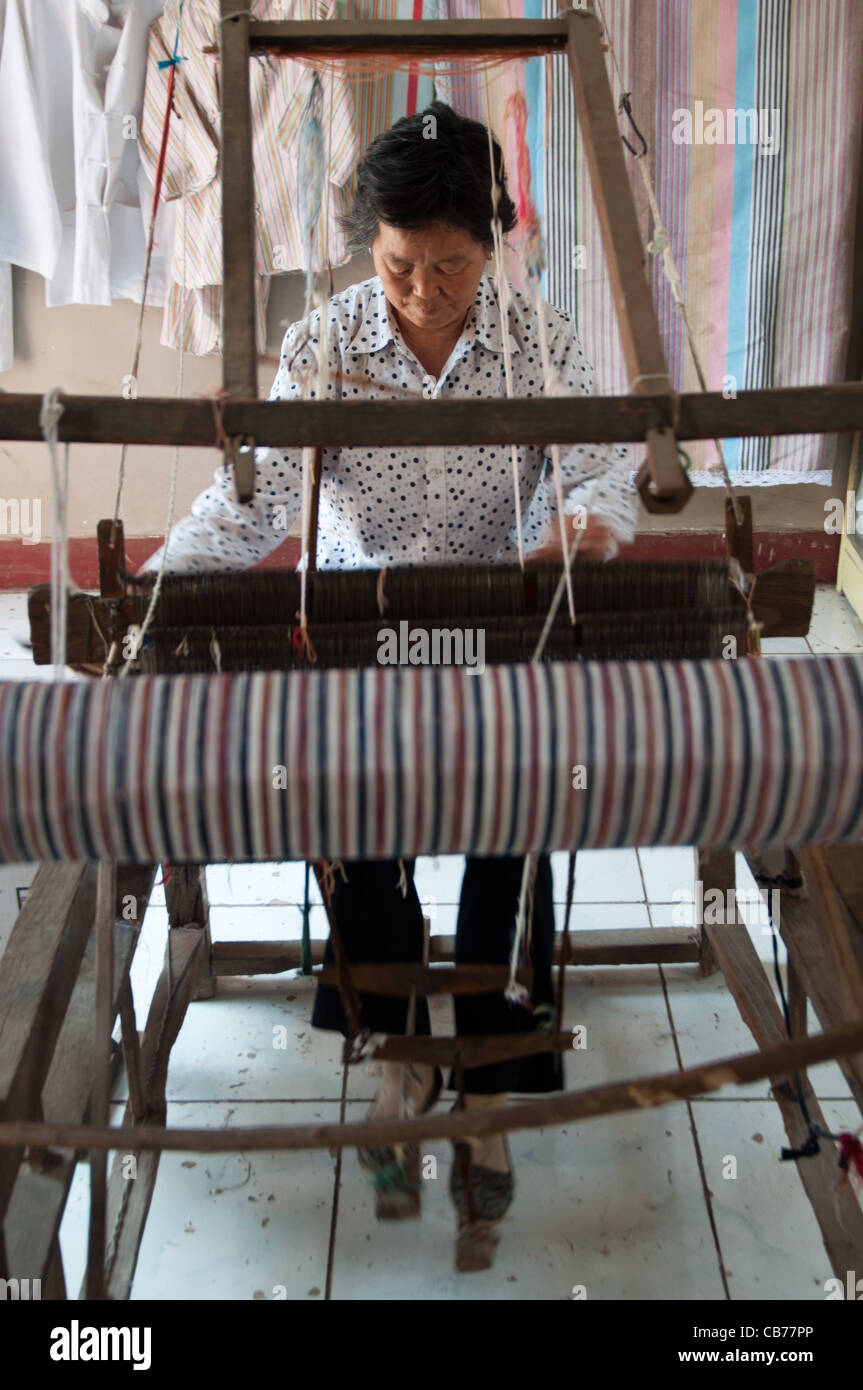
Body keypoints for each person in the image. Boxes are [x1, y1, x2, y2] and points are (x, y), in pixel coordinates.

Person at [139, 99, 639, 1265]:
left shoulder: (536, 338)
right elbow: (252, 498)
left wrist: (582, 522)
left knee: (503, 824)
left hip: (496, 629)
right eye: (401, 265)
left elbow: (603, 463)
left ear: (495, 242)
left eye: (450, 265)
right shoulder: (322, 344)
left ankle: (481, 1079)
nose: (423, 290)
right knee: (358, 827)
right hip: (356, 633)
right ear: (370, 249)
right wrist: (157, 588)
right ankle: (405, 1060)